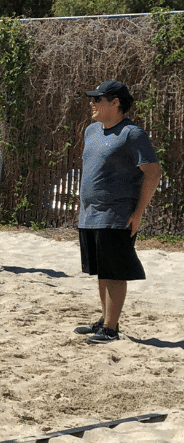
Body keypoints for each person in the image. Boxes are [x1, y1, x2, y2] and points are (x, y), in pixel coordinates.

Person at [73, 80, 160, 344]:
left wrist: (138, 212)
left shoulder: (132, 134)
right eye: (93, 99)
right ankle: (105, 319)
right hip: (90, 214)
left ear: (116, 103)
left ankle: (111, 329)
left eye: (98, 99)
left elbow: (153, 173)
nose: (92, 103)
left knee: (114, 272)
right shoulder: (91, 131)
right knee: (101, 270)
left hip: (117, 214)